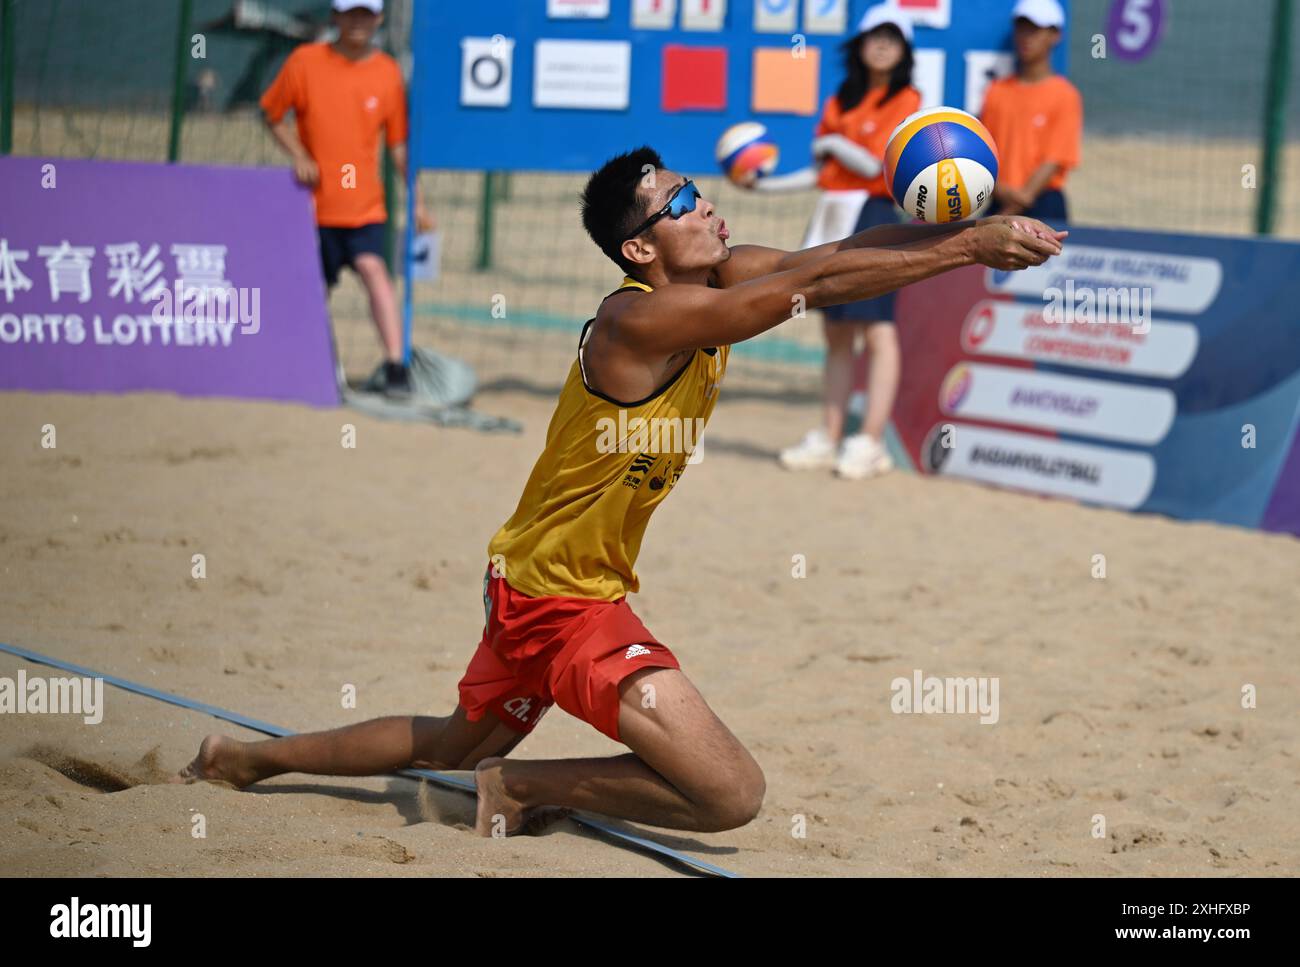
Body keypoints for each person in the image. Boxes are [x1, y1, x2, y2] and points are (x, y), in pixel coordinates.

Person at [176, 147, 1065, 837]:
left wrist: (972, 235)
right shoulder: (637, 317)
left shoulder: (718, 277)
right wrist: (966, 248)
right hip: (564, 603)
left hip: (528, 576)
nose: (704, 203)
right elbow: (811, 289)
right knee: (733, 795)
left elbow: (838, 256)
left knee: (451, 741)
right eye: (679, 202)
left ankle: (245, 758)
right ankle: (514, 788)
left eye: (697, 189)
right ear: (640, 246)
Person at [747, 3, 921, 480]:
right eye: (874, 36)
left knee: (879, 330)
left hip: (875, 216)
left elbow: (873, 166)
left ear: (905, 49)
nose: (882, 44)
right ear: (859, 44)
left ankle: (870, 441)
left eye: (893, 37)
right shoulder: (841, 99)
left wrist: (833, 144)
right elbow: (824, 171)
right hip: (831, 219)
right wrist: (762, 184)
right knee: (837, 333)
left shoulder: (908, 101)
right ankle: (829, 433)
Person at [259, 0, 431, 396]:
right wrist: (299, 155)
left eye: (365, 14)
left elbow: (399, 147)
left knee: (374, 270)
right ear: (334, 17)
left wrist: (417, 200)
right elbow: (271, 113)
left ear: (379, 19)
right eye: (350, 13)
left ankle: (395, 365)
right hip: (312, 206)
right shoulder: (305, 62)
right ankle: (306, 364)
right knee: (311, 288)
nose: (357, 22)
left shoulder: (386, 72)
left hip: (364, 207)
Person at [979, 0, 1083, 223]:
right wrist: (997, 190)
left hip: (1042, 202)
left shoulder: (1064, 95)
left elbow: (1054, 159)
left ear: (1054, 36)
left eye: (1035, 30)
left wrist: (1011, 208)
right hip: (998, 199)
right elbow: (983, 148)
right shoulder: (996, 90)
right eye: (1022, 28)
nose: (1026, 36)